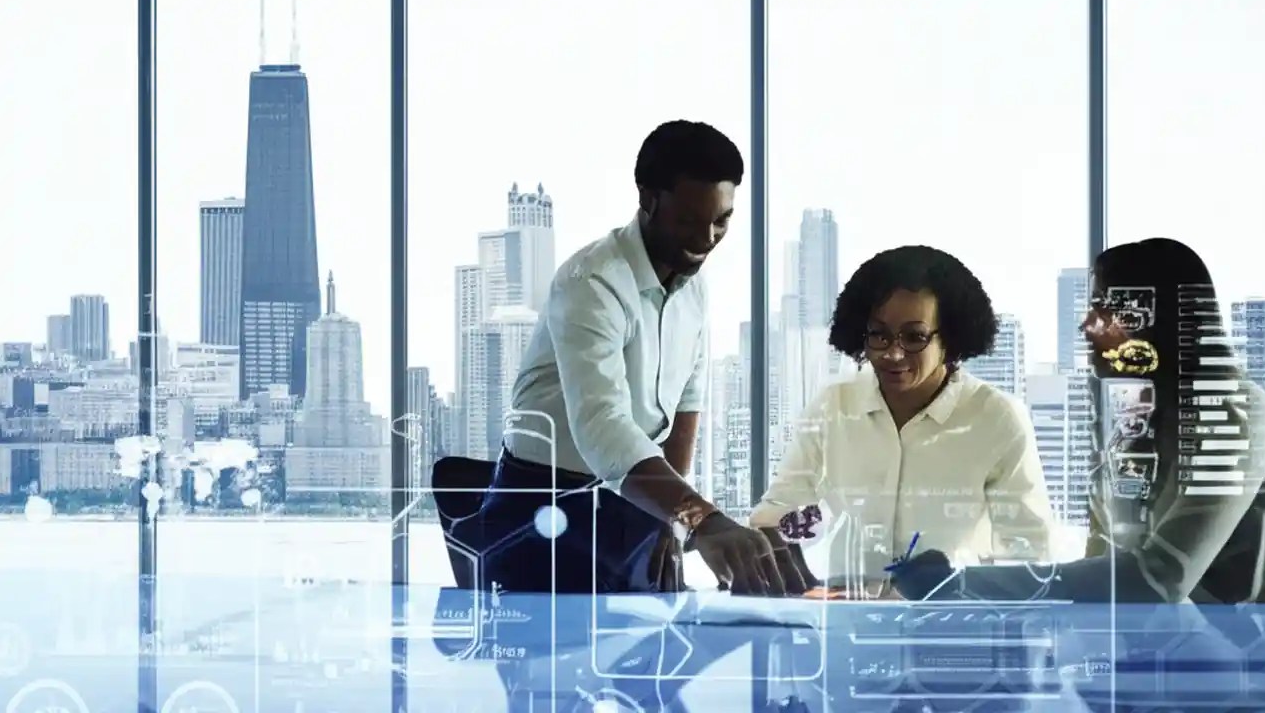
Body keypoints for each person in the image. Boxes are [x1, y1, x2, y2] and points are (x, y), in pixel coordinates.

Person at [450, 120, 790, 596]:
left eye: (722, 220)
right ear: (648, 199)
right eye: (690, 220)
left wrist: (670, 524)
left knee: (651, 656)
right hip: (545, 505)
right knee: (547, 656)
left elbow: (684, 406)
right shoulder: (591, 282)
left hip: (635, 500)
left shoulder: (694, 287)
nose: (708, 237)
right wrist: (700, 518)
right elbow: (603, 428)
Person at [891, 238, 1265, 604]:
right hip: (1168, 658)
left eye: (1103, 308)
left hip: (1246, 665)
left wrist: (960, 584)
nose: (1087, 325)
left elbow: (1157, 581)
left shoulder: (1236, 416)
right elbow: (1103, 572)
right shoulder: (1140, 428)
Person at [749, 245, 1058, 598]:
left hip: (951, 627)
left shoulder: (997, 418)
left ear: (951, 338)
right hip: (844, 623)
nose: (892, 353)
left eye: (914, 337)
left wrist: (957, 579)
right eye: (879, 334)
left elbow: (1033, 553)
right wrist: (786, 555)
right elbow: (777, 512)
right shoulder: (834, 406)